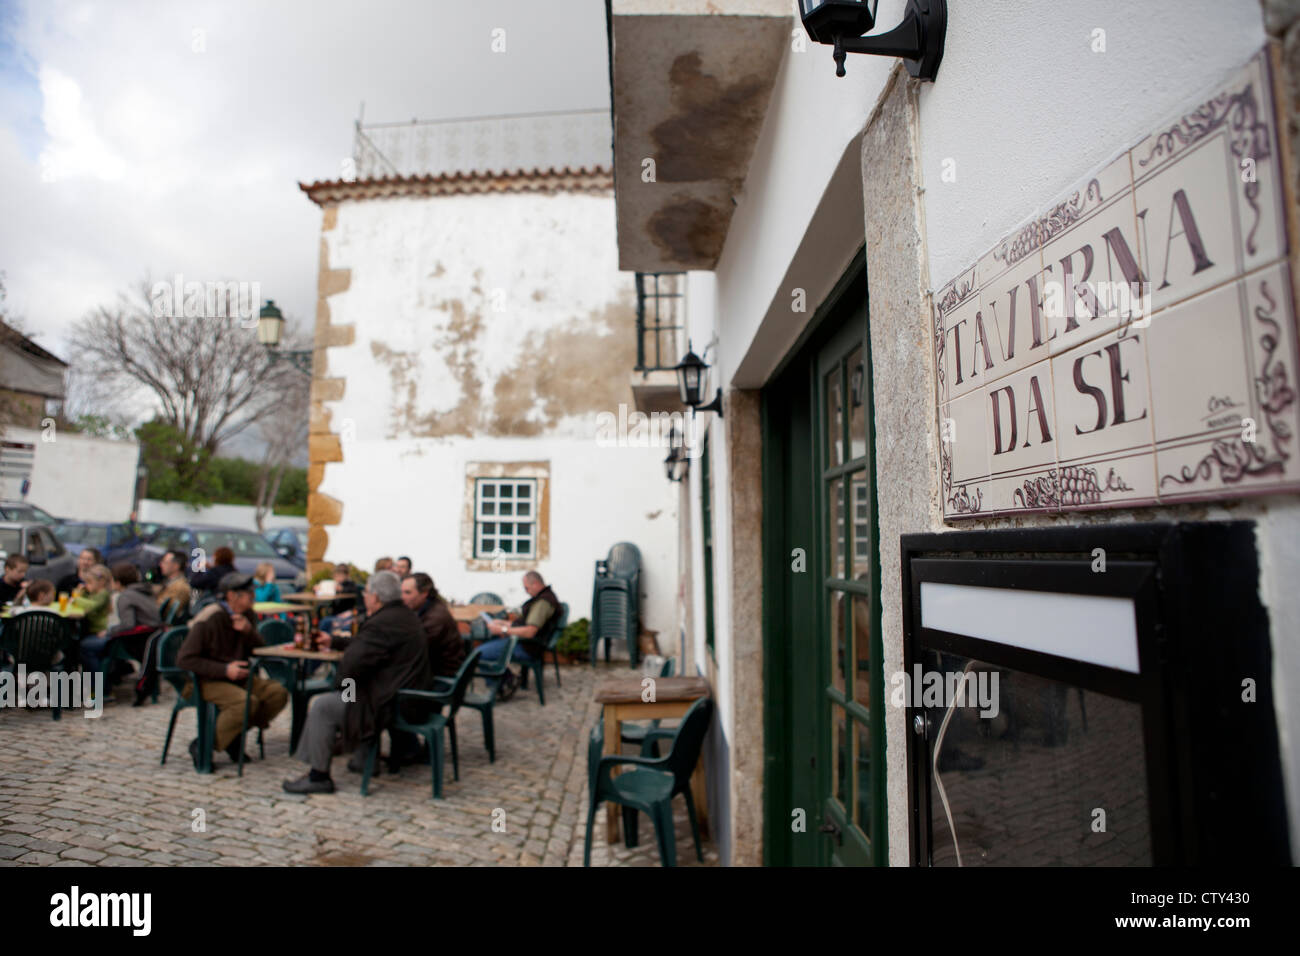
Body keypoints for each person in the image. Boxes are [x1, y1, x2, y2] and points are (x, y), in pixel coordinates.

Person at [282, 570, 430, 794]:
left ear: (377, 597)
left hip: (392, 703)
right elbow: (366, 645)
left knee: (324, 706)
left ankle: (318, 775)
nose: (365, 596)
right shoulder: (403, 616)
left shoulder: (383, 621)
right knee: (353, 692)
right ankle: (361, 759)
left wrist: (343, 690)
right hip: (404, 695)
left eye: (368, 592)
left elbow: (353, 663)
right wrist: (335, 641)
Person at [176, 572, 289, 767]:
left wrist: (248, 631)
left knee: (277, 694)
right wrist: (224, 669)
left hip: (239, 677)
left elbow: (258, 650)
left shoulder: (248, 615)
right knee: (245, 703)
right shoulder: (211, 616)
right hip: (206, 680)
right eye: (249, 593)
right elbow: (185, 659)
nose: (253, 596)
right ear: (232, 596)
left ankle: (231, 735)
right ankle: (204, 744)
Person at [80, 563, 162, 681]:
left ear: (118, 583)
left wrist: (108, 631)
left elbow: (128, 625)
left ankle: (98, 690)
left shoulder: (125, 597)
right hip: (150, 637)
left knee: (86, 646)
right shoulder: (143, 590)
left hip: (135, 641)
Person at [480, 571, 563, 671]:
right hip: (527, 644)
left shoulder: (542, 603)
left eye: (526, 588)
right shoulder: (545, 597)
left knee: (479, 653)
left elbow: (529, 631)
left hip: (527, 647)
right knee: (491, 643)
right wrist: (503, 623)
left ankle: (503, 680)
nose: (526, 591)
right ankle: (504, 678)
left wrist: (503, 630)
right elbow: (526, 624)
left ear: (535, 584)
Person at [69, 564, 113, 635]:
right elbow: (83, 601)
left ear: (102, 582)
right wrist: (79, 591)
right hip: (90, 628)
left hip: (99, 630)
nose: (86, 585)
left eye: (89, 582)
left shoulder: (103, 594)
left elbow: (92, 605)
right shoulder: (92, 593)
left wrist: (76, 599)